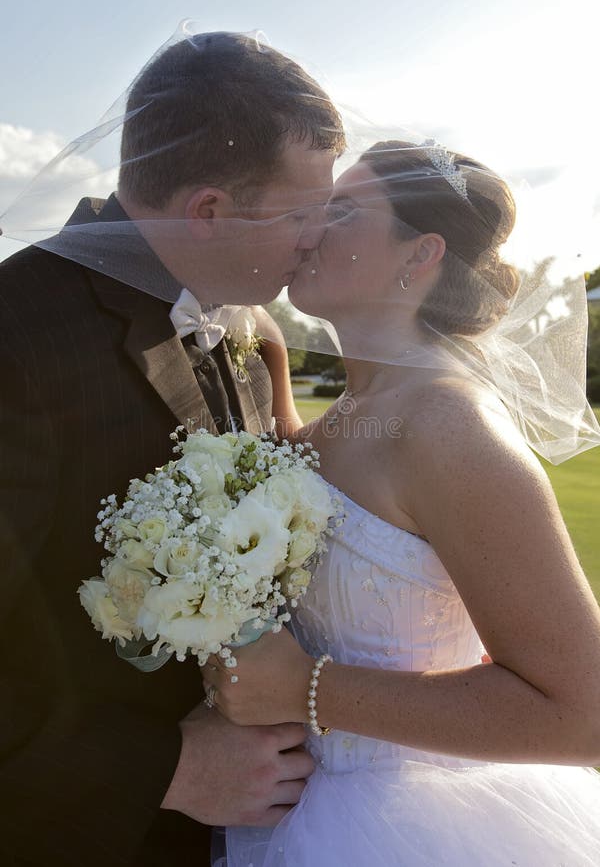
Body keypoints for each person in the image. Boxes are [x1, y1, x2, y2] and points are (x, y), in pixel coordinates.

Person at [202, 141, 600, 865]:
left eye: (344, 210)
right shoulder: (346, 418)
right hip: (291, 808)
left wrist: (308, 688)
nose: (312, 225)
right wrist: (266, 353)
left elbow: (584, 715)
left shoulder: (447, 425)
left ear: (419, 257)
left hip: (407, 824)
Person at [0, 30, 344, 867]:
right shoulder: (17, 332)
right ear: (210, 211)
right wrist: (164, 769)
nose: (318, 238)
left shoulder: (247, 331)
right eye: (303, 213)